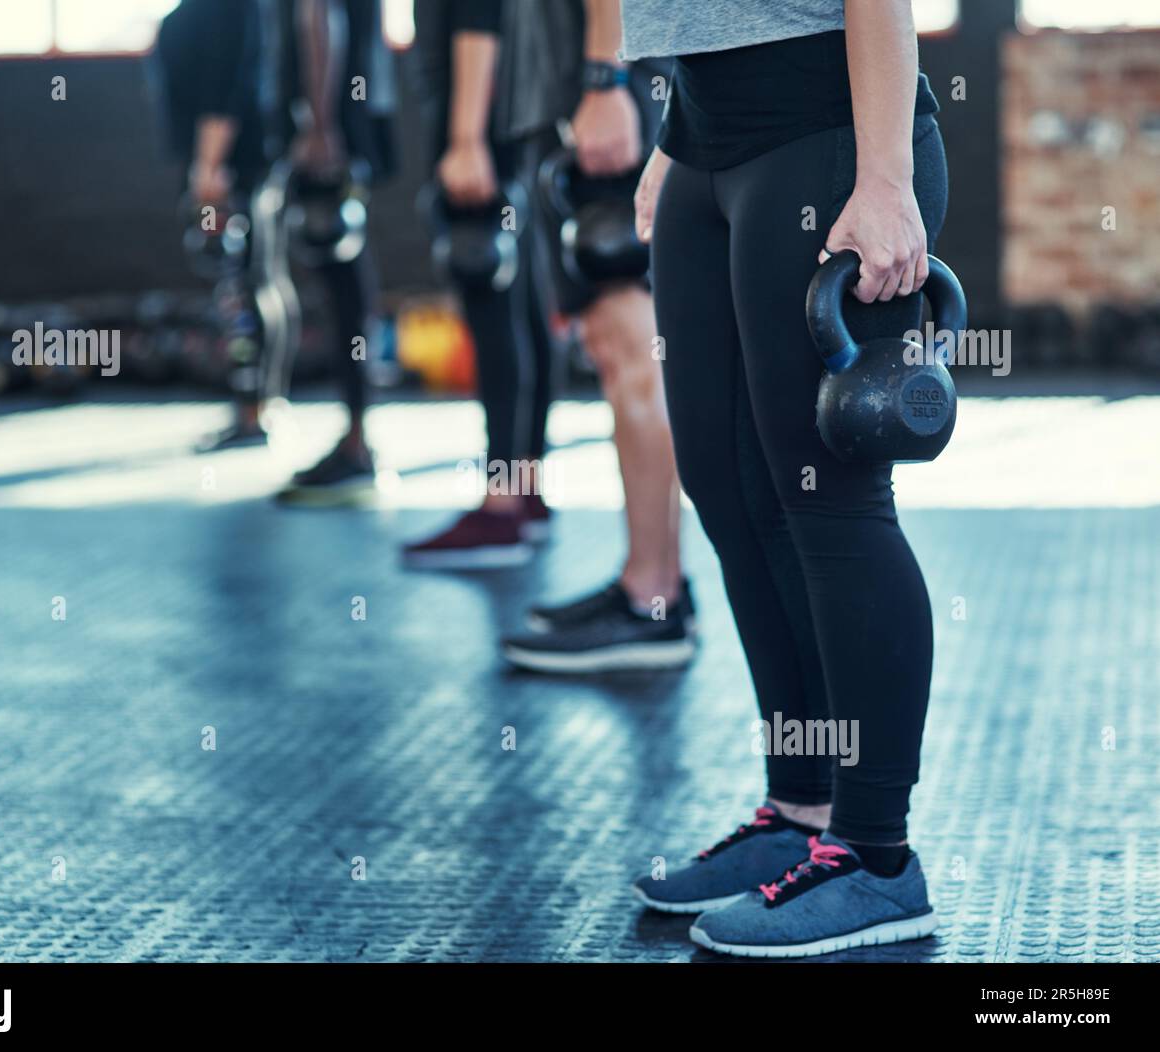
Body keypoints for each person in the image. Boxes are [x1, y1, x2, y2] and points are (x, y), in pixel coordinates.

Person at [623, 0, 948, 956]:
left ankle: (878, 858)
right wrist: (678, 131)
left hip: (827, 135)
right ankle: (802, 807)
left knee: (832, 503)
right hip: (703, 140)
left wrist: (886, 177)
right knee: (726, 487)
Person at [494, 0, 695, 673]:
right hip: (584, 94)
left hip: (605, 93)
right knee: (628, 352)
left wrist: (606, 79)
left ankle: (649, 598)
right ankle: (656, 584)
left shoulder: (608, 83)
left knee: (629, 350)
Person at [401, 0, 556, 568]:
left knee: (493, 305)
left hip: (483, 124)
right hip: (511, 118)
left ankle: (501, 506)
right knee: (524, 301)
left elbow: (477, 16)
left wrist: (466, 138)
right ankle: (527, 488)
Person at [153, 0, 295, 453]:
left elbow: (225, 81)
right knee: (256, 277)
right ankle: (260, 405)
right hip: (230, 161)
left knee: (244, 283)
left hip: (228, 165)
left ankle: (254, 410)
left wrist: (208, 164)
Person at [271, 0, 399, 501]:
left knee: (341, 277)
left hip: (333, 127)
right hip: (353, 118)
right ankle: (357, 438)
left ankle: (356, 444)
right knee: (345, 276)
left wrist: (319, 124)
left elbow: (319, 16)